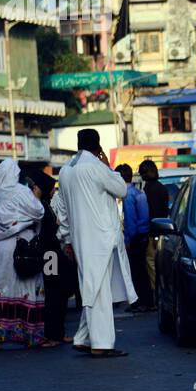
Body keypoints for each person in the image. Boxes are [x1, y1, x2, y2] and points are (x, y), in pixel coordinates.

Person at [52, 128, 136, 358]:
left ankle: (83, 337)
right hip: (101, 237)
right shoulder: (96, 167)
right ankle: (101, 344)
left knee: (92, 286)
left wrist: (67, 238)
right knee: (99, 290)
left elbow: (63, 209)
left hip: (80, 239)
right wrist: (108, 165)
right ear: (98, 146)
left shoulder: (66, 171)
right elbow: (122, 190)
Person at [0, 158, 50, 349]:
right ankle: (31, 335)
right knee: (26, 287)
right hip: (23, 247)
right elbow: (39, 211)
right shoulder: (22, 192)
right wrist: (23, 220)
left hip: (0, 250)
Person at [29, 170, 72, 345]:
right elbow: (50, 229)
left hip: (51, 254)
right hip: (50, 255)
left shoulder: (43, 204)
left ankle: (56, 333)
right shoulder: (38, 205)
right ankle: (53, 333)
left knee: (55, 292)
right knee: (54, 292)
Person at [119, 164, 153, 311]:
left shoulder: (128, 195)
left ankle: (140, 302)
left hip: (136, 237)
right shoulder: (138, 192)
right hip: (144, 234)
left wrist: (128, 241)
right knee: (142, 270)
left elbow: (130, 222)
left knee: (136, 271)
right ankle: (147, 301)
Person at [139, 159, 168, 297]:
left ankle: (155, 294)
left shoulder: (147, 191)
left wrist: (153, 235)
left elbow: (152, 214)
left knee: (151, 263)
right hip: (164, 231)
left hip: (152, 233)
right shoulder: (162, 188)